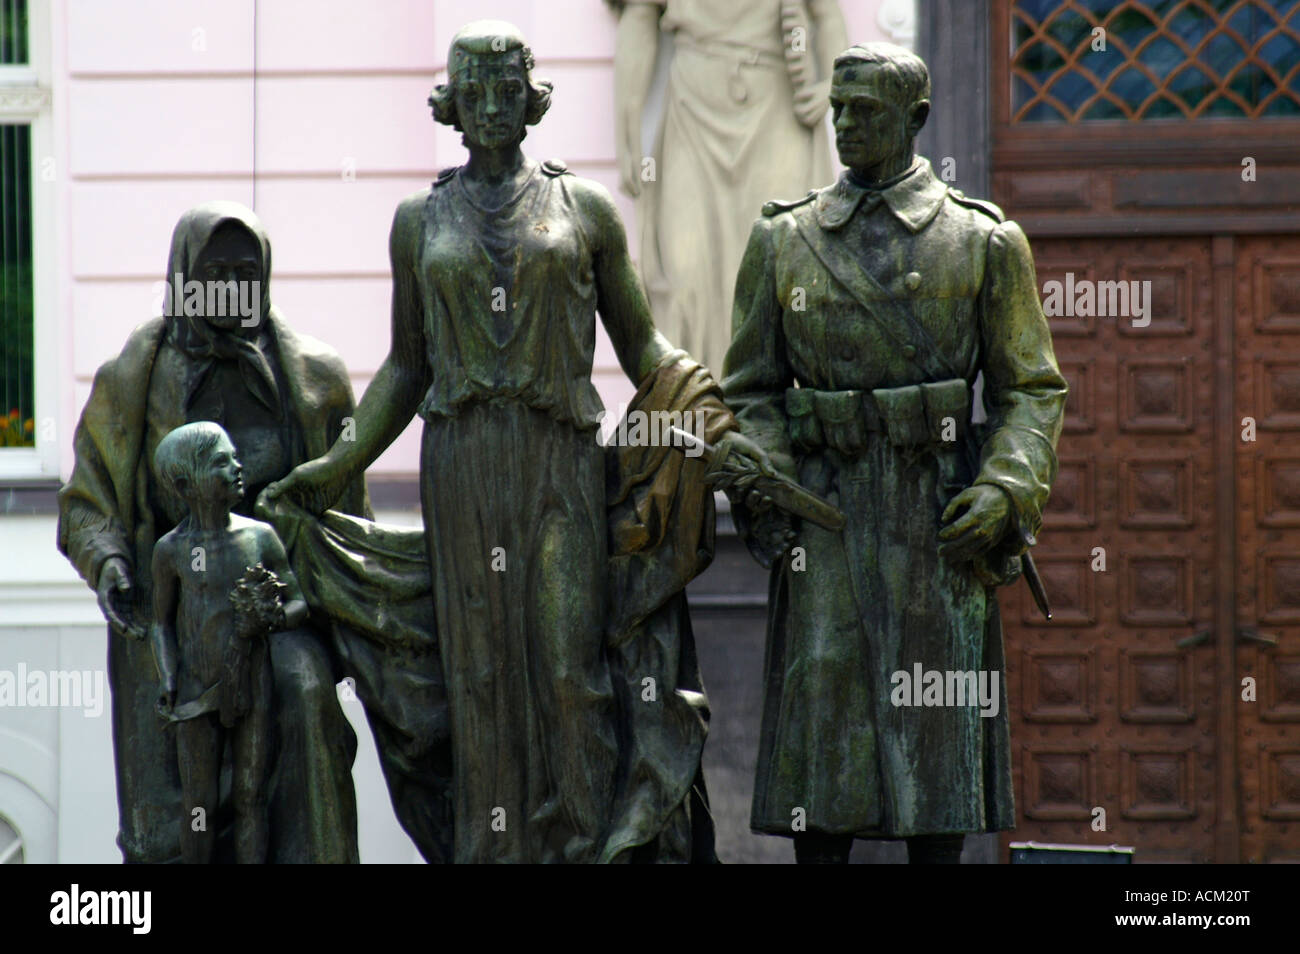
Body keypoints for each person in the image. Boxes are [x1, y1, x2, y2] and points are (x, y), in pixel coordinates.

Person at [266, 20, 772, 863]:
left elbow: (641, 345)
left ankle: (578, 845)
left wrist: (705, 411)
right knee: (480, 680)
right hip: (463, 464)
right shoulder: (418, 219)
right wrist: (334, 466)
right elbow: (405, 368)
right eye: (477, 90)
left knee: (570, 668)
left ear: (532, 99)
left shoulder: (586, 208)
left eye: (509, 87)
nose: (494, 105)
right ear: (453, 106)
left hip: (558, 459)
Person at [722, 42, 1068, 864]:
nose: (843, 124)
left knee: (936, 757)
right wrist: (766, 487)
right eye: (839, 108)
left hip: (933, 516)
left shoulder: (982, 242)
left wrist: (1007, 490)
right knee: (824, 753)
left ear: (916, 118)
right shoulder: (785, 241)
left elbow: (1032, 389)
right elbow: (750, 390)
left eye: (865, 111)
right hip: (828, 517)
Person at [58, 202, 368, 863]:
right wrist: (111, 564)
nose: (231, 284)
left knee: (306, 693)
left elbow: (351, 520)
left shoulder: (316, 376)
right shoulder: (131, 379)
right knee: (175, 780)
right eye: (215, 270)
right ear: (183, 276)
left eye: (244, 270)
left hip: (276, 611)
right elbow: (85, 505)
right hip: (175, 602)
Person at [609, 0, 846, 374]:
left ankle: (775, 413)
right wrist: (627, 130)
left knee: (782, 264)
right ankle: (695, 410)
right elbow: (639, 16)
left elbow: (827, 13)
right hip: (694, 106)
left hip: (778, 112)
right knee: (684, 275)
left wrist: (834, 85)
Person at [150, 422, 309, 864]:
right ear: (186, 485)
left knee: (249, 795)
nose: (239, 467)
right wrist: (167, 680)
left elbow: (299, 603)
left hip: (253, 685)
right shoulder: (171, 550)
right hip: (198, 689)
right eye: (222, 461)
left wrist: (270, 618)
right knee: (198, 802)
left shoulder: (259, 538)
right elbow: (160, 623)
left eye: (235, 456)